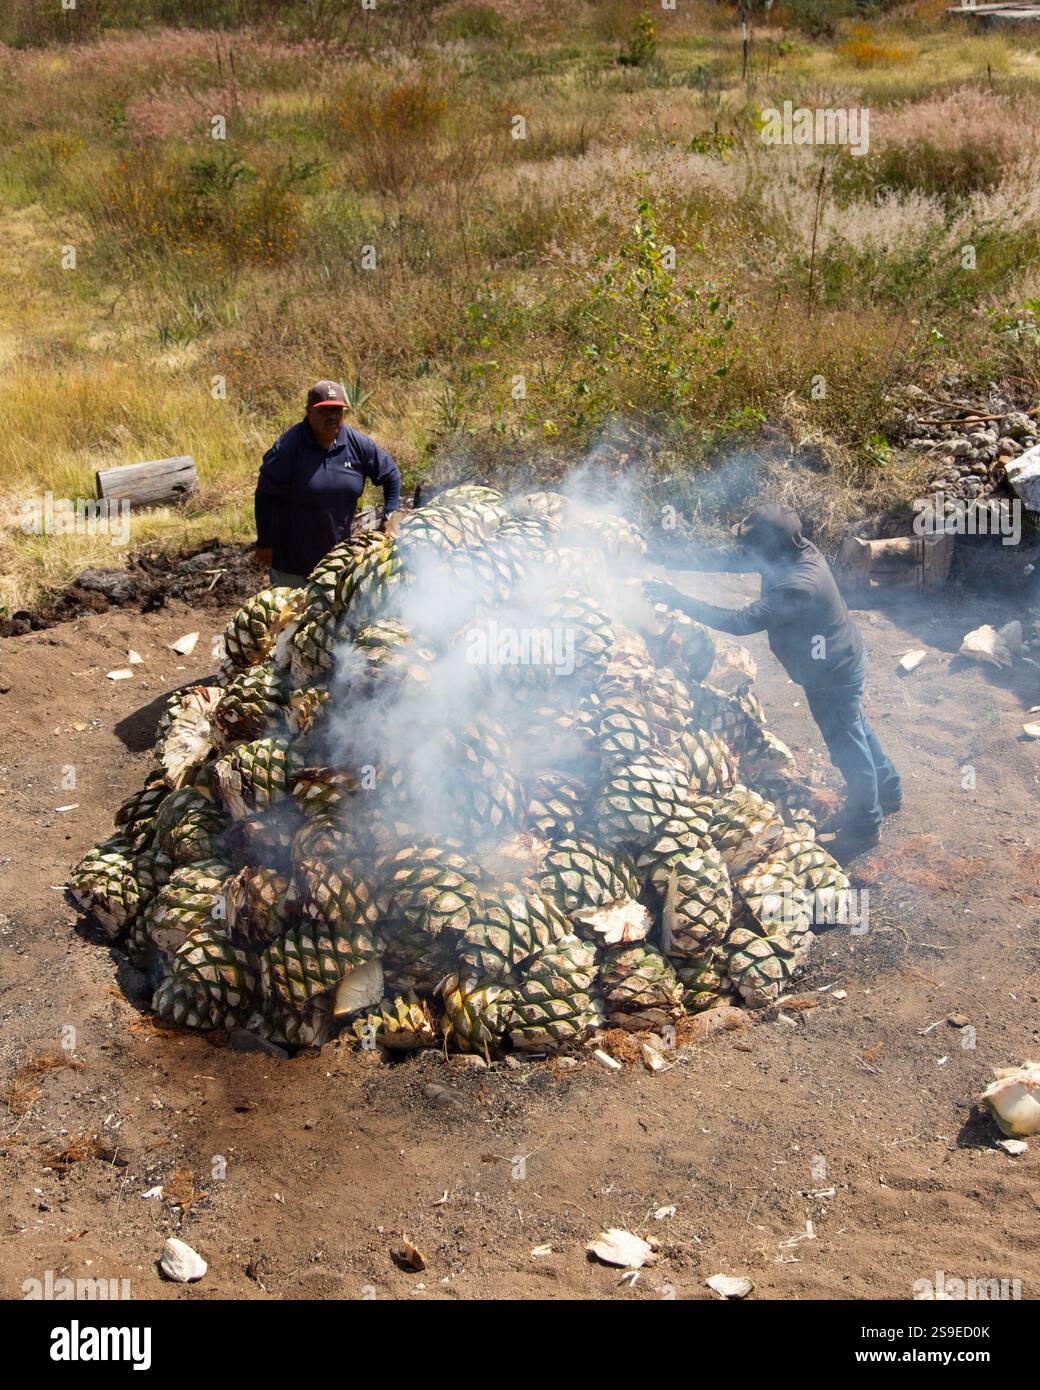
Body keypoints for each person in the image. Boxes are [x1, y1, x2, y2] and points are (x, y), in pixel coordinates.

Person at [644, 504, 901, 858]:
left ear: (768, 546)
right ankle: (889, 789)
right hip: (842, 661)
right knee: (855, 726)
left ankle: (865, 827)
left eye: (751, 544)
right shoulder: (792, 551)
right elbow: (728, 559)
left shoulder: (799, 584)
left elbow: (739, 621)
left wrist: (677, 599)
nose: (745, 552)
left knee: (847, 748)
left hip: (832, 675)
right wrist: (666, 557)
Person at [254, 380, 402, 586]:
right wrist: (265, 542)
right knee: (291, 616)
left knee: (332, 616)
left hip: (338, 561)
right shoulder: (289, 446)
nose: (331, 416)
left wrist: (390, 515)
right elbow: (264, 494)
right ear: (309, 412)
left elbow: (391, 475)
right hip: (292, 563)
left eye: (337, 410)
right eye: (324, 411)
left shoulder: (358, 444)